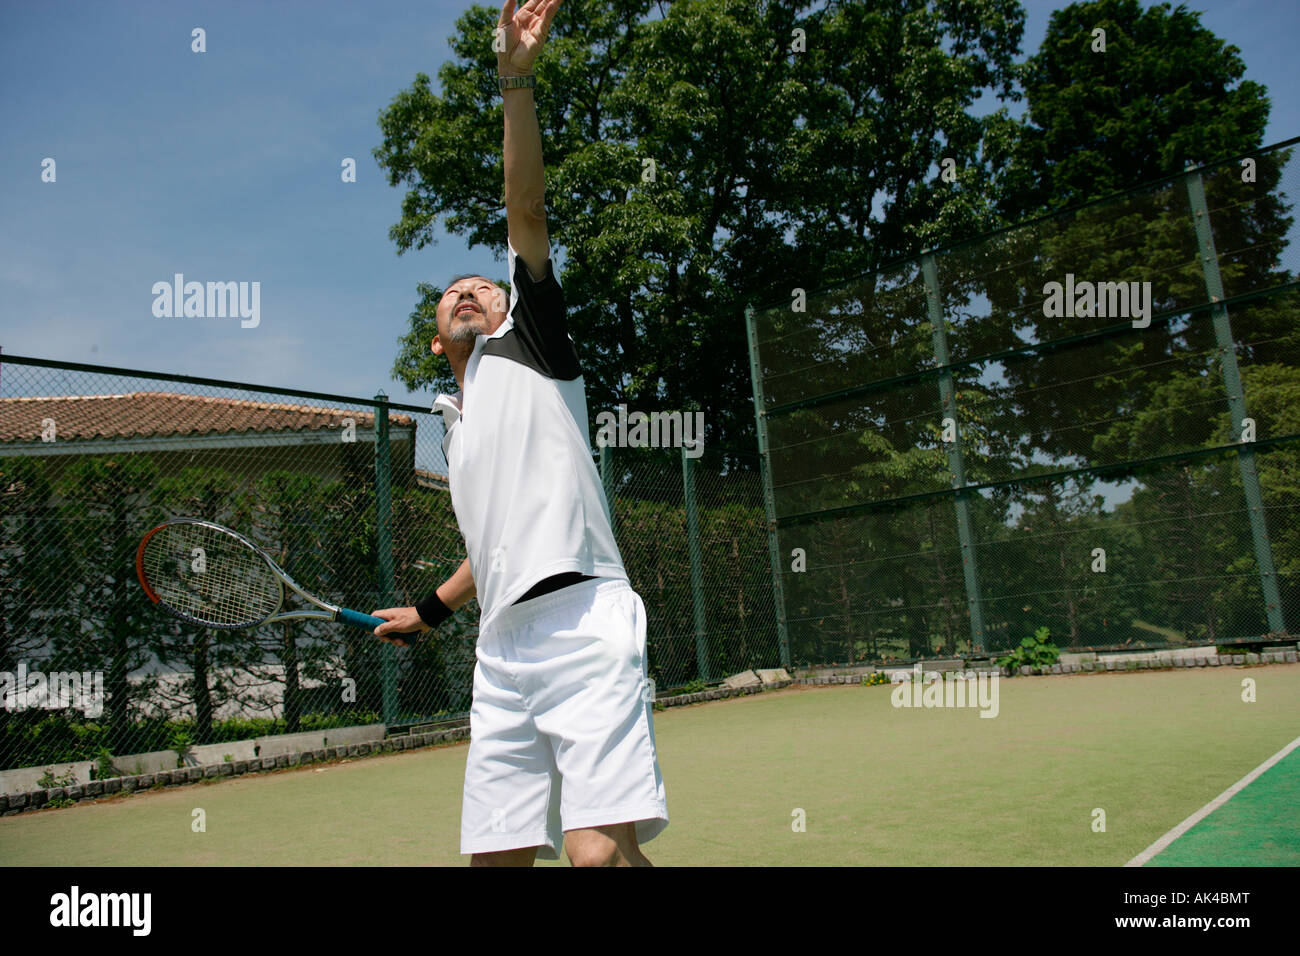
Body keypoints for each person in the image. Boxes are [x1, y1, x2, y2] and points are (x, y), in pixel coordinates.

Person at [369, 0, 667, 868]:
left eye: (485, 286)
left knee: (596, 859)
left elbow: (525, 208)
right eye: (452, 292)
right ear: (434, 335)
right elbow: (487, 550)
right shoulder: (455, 429)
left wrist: (515, 78)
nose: (470, 292)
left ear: (509, 307)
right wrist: (429, 610)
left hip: (584, 619)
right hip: (500, 649)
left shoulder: (533, 347)